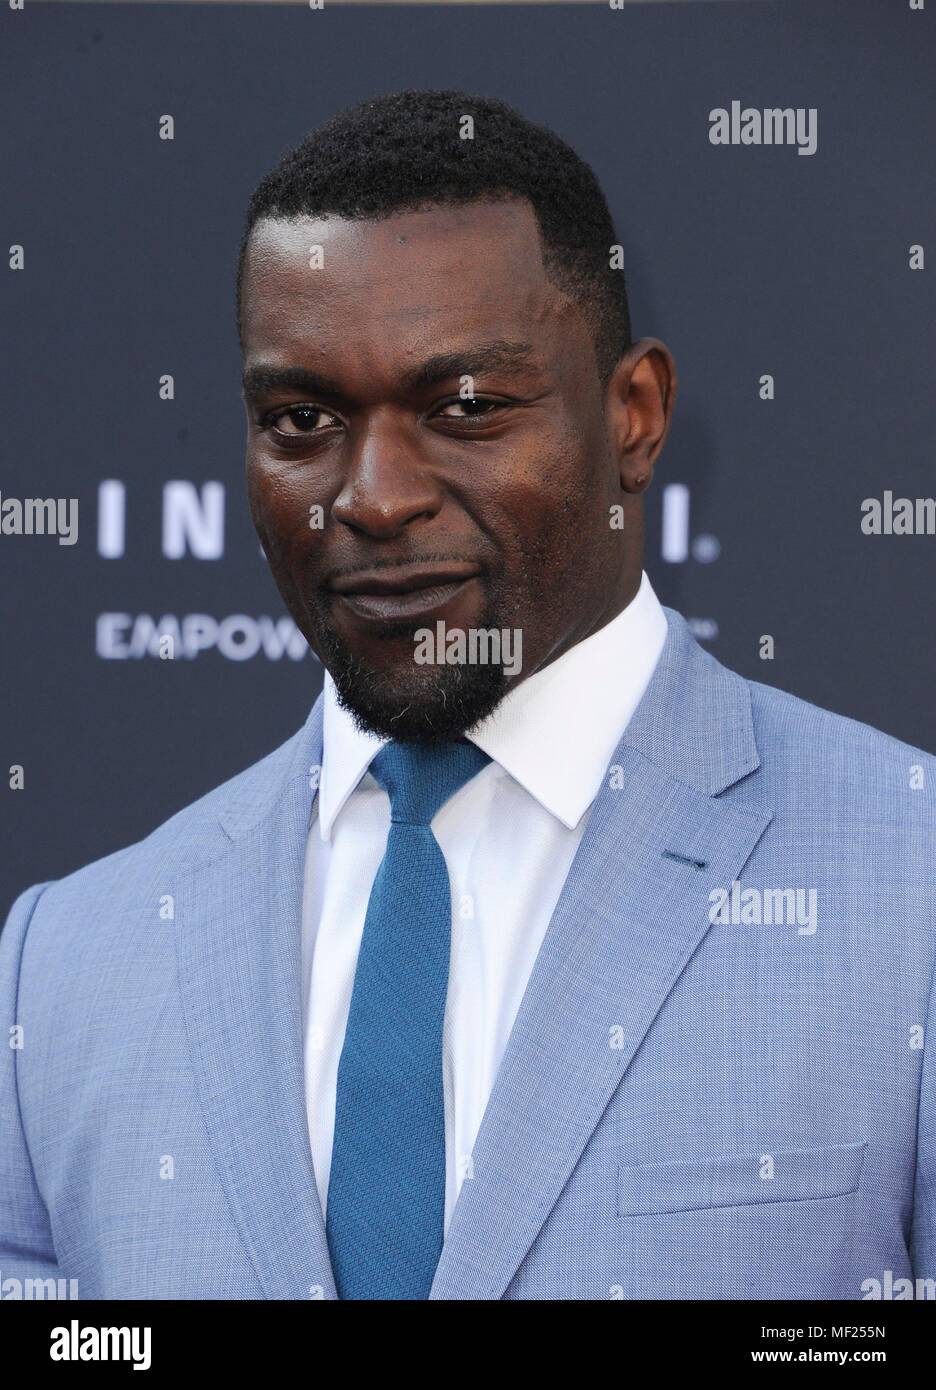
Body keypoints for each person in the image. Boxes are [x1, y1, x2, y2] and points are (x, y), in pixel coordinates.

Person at [1, 90, 933, 1301]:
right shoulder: (64, 967)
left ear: (634, 417)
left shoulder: (910, 883)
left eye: (467, 409)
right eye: (302, 419)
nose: (376, 495)